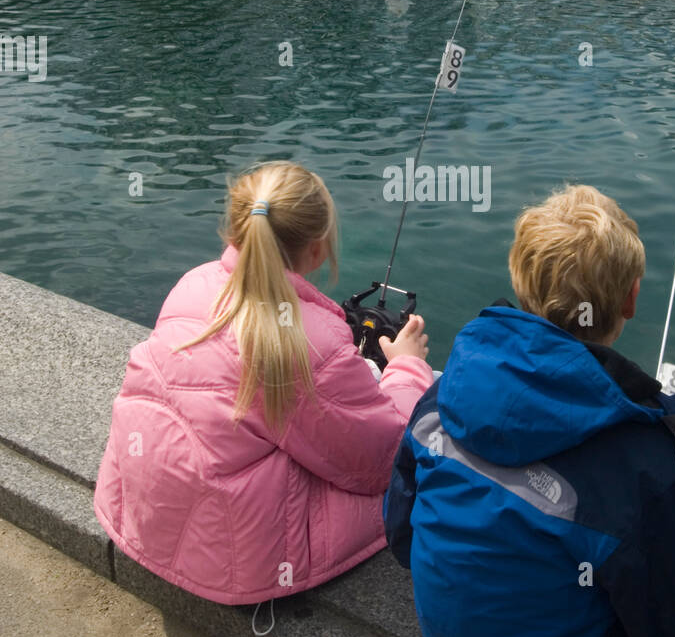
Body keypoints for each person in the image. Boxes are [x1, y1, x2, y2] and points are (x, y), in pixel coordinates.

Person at [384, 182, 675, 637]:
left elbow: (401, 537)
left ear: (521, 279)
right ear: (630, 300)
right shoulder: (645, 461)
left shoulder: (449, 390)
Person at [95, 161, 433, 610]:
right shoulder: (308, 341)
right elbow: (381, 461)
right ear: (317, 250)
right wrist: (407, 369)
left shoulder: (193, 283)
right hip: (234, 560)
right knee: (421, 474)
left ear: (234, 231)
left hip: (140, 517)